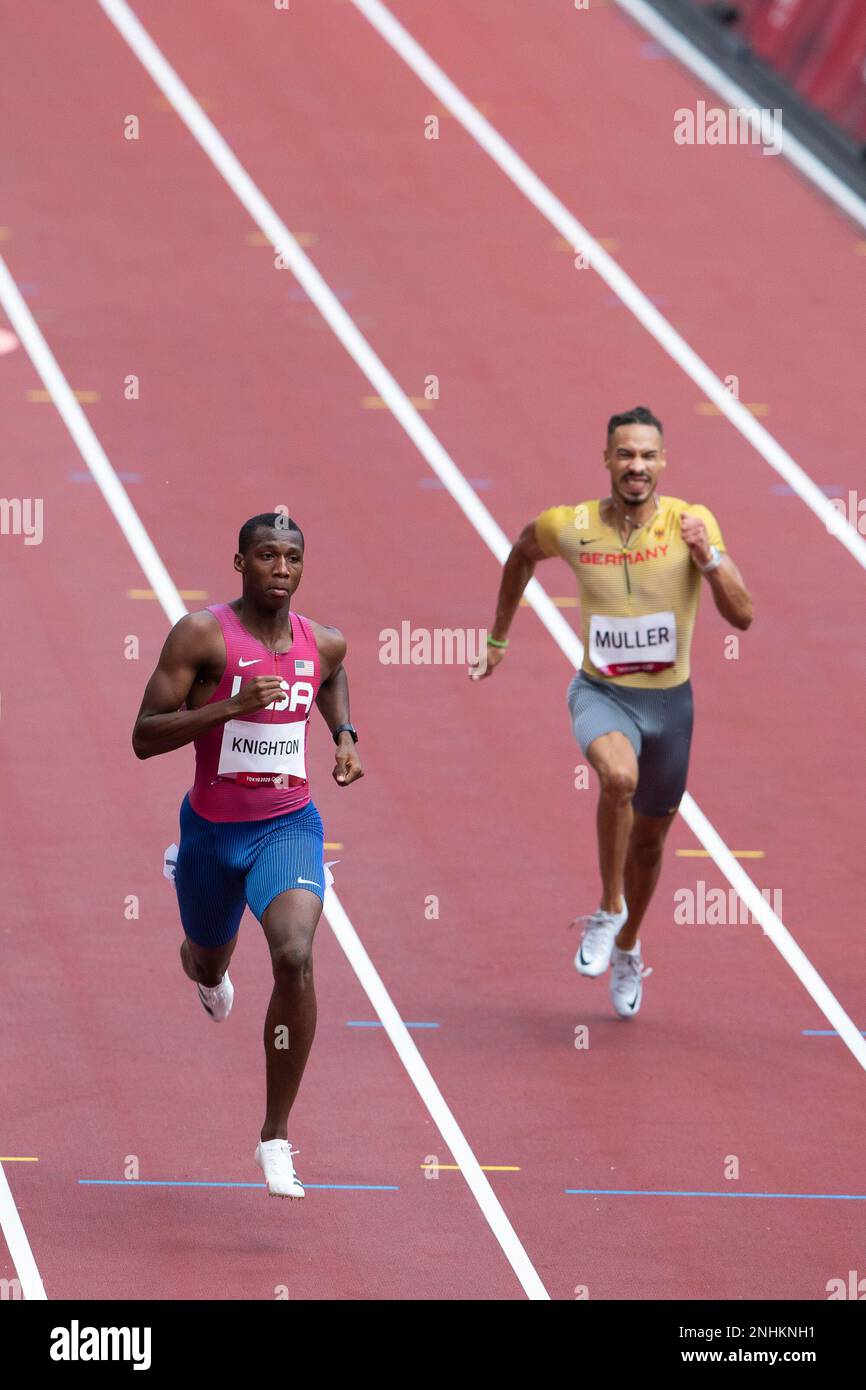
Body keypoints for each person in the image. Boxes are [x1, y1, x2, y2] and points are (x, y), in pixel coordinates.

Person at [471, 407, 752, 1016]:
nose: (636, 466)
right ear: (606, 460)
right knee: (618, 778)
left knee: (650, 843)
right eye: (625, 454)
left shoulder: (691, 524)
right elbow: (520, 554)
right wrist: (498, 638)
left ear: (663, 463)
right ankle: (607, 909)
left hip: (671, 706)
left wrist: (707, 558)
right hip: (602, 694)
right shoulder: (569, 526)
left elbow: (743, 614)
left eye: (648, 455)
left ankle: (627, 943)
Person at [132, 513, 363, 1195]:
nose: (280, 569)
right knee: (207, 957)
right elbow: (144, 736)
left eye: (292, 557)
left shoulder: (321, 641)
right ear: (240, 563)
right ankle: (205, 968)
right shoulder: (202, 636)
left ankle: (275, 1136)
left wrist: (345, 736)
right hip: (211, 832)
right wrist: (228, 708)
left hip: (288, 827)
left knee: (294, 954)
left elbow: (331, 677)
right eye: (267, 556)